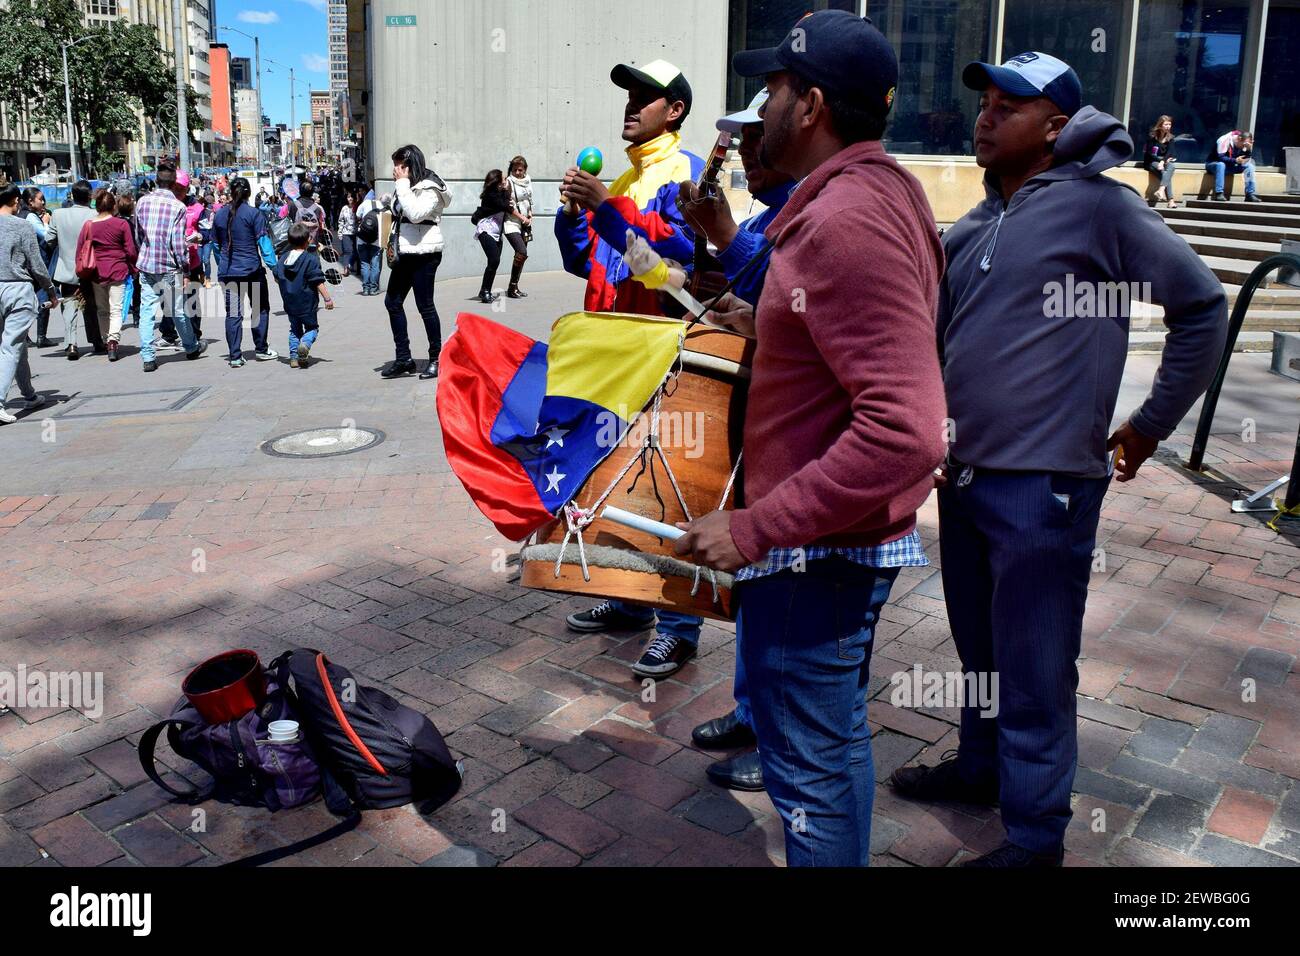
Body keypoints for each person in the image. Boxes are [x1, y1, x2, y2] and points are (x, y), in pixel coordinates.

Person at [889, 52, 1229, 868]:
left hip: (1046, 491)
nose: (985, 117)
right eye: (984, 104)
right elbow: (932, 345)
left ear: (1057, 126)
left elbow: (1203, 307)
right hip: (965, 480)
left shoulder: (1099, 212)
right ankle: (980, 770)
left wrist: (1148, 424)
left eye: (1010, 106)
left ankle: (1036, 837)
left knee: (1035, 663)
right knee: (978, 648)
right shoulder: (971, 228)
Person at [674, 11, 945, 867]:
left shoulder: (846, 218)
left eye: (774, 90)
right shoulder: (870, 192)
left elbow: (905, 431)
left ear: (813, 105)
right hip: (825, 548)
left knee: (810, 775)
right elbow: (848, 348)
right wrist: (768, 325)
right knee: (825, 754)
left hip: (812, 557)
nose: (761, 107)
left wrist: (754, 527)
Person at [556, 57, 706, 678]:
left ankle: (679, 624)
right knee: (620, 480)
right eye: (628, 94)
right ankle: (628, 597)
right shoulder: (620, 176)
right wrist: (572, 218)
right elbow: (584, 263)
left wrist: (610, 213)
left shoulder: (690, 175)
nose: (630, 105)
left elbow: (672, 268)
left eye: (646, 96)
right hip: (614, 354)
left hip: (663, 351)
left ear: (674, 111)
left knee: (672, 487)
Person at [676, 88, 795, 793]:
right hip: (764, 432)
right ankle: (757, 711)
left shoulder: (831, 208)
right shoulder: (777, 210)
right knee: (762, 587)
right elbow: (773, 298)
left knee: (791, 602)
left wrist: (727, 236)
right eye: (740, 141)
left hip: (808, 466)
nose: (746, 152)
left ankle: (783, 738)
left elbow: (794, 297)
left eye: (758, 139)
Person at [378, 144, 451, 380]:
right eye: (395, 165)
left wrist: (401, 186)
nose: (395, 170)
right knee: (392, 302)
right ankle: (404, 358)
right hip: (405, 252)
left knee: (425, 305)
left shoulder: (432, 186)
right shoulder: (407, 185)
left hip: (425, 253)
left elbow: (416, 213)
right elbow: (400, 210)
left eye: (400, 166)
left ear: (411, 166)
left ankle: (436, 358)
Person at [135, 162, 206, 371]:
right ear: (173, 183)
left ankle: (148, 356)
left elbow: (138, 235)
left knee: (147, 311)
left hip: (147, 265)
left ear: (157, 181)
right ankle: (191, 347)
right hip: (169, 266)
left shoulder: (142, 202)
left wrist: (145, 252)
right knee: (177, 310)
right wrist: (185, 269)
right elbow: (178, 242)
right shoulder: (178, 207)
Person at [0, 183, 57, 424]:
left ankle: (29, 395)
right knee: (11, 346)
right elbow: (36, 264)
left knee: (16, 345)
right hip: (17, 289)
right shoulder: (22, 226)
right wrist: (51, 291)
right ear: (15, 201)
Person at [213, 176, 277, 368]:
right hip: (252, 271)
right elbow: (264, 244)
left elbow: (216, 246)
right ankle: (261, 349)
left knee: (233, 314)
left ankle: (234, 356)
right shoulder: (254, 214)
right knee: (259, 310)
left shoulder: (219, 215)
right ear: (249, 193)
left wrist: (223, 263)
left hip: (229, 273)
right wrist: (275, 268)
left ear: (230, 193)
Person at [75, 188, 137, 362]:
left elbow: (80, 250)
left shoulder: (89, 225)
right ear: (113, 206)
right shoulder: (121, 224)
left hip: (96, 273)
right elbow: (130, 250)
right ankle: (113, 341)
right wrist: (133, 268)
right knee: (116, 309)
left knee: (103, 310)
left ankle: (106, 339)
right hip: (118, 270)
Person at [46, 180, 101, 360]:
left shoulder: (58, 214)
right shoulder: (95, 215)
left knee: (69, 306)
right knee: (92, 306)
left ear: (72, 195)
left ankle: (71, 343)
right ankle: (96, 341)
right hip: (91, 269)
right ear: (89, 196)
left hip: (67, 269)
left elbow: (49, 240)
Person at [273, 221, 334, 369]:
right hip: (307, 302)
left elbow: (276, 276)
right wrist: (328, 298)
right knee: (312, 328)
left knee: (294, 329)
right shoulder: (310, 259)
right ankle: (305, 345)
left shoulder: (283, 258)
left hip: (289, 302)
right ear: (309, 240)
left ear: (289, 240)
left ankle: (294, 358)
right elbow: (318, 281)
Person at [18, 187, 54, 346]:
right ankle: (41, 336)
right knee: (44, 298)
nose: (43, 202)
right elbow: (46, 237)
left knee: (26, 301)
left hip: (25, 265)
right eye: (40, 199)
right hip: (37, 263)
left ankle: (26, 336)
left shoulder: (21, 215)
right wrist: (46, 223)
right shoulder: (31, 217)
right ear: (30, 201)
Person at [471, 169, 510, 304]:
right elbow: (504, 205)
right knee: (494, 260)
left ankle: (485, 290)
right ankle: (485, 291)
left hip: (497, 232)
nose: (506, 182)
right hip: (485, 230)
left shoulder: (499, 193)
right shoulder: (490, 195)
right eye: (504, 180)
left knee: (494, 262)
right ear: (498, 183)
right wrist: (506, 190)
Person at [503, 155, 533, 298]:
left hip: (525, 224)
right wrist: (522, 217)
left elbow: (529, 199)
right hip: (511, 222)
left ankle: (514, 287)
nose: (517, 173)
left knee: (520, 256)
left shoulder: (528, 181)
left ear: (525, 170)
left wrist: (531, 215)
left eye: (520, 170)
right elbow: (508, 206)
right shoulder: (508, 183)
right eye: (515, 170)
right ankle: (511, 288)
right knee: (521, 252)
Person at [1206, 129, 1259, 202]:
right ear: (1239, 139)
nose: (1244, 147)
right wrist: (1235, 160)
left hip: (1230, 166)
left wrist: (1248, 150)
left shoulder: (1243, 144)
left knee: (1250, 166)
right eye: (1244, 145)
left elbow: (1245, 160)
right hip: (1214, 164)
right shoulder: (1223, 140)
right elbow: (1220, 157)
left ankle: (1249, 194)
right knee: (1221, 165)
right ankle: (1219, 193)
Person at [354, 184, 383, 296]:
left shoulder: (364, 203)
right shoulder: (381, 205)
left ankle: (365, 289)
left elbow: (357, 215)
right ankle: (374, 288)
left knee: (365, 264)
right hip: (376, 240)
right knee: (375, 265)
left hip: (362, 239)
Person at [290, 182, 329, 248]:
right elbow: (320, 227)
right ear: (312, 192)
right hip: (312, 242)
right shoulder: (317, 208)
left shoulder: (293, 205)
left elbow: (292, 219)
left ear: (300, 191)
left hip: (297, 242)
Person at [336, 191, 357, 279]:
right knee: (347, 251)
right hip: (346, 232)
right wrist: (340, 232)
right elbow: (341, 221)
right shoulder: (344, 208)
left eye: (351, 197)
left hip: (356, 232)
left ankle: (350, 264)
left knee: (356, 251)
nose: (350, 199)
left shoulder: (358, 207)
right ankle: (346, 269)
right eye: (348, 197)